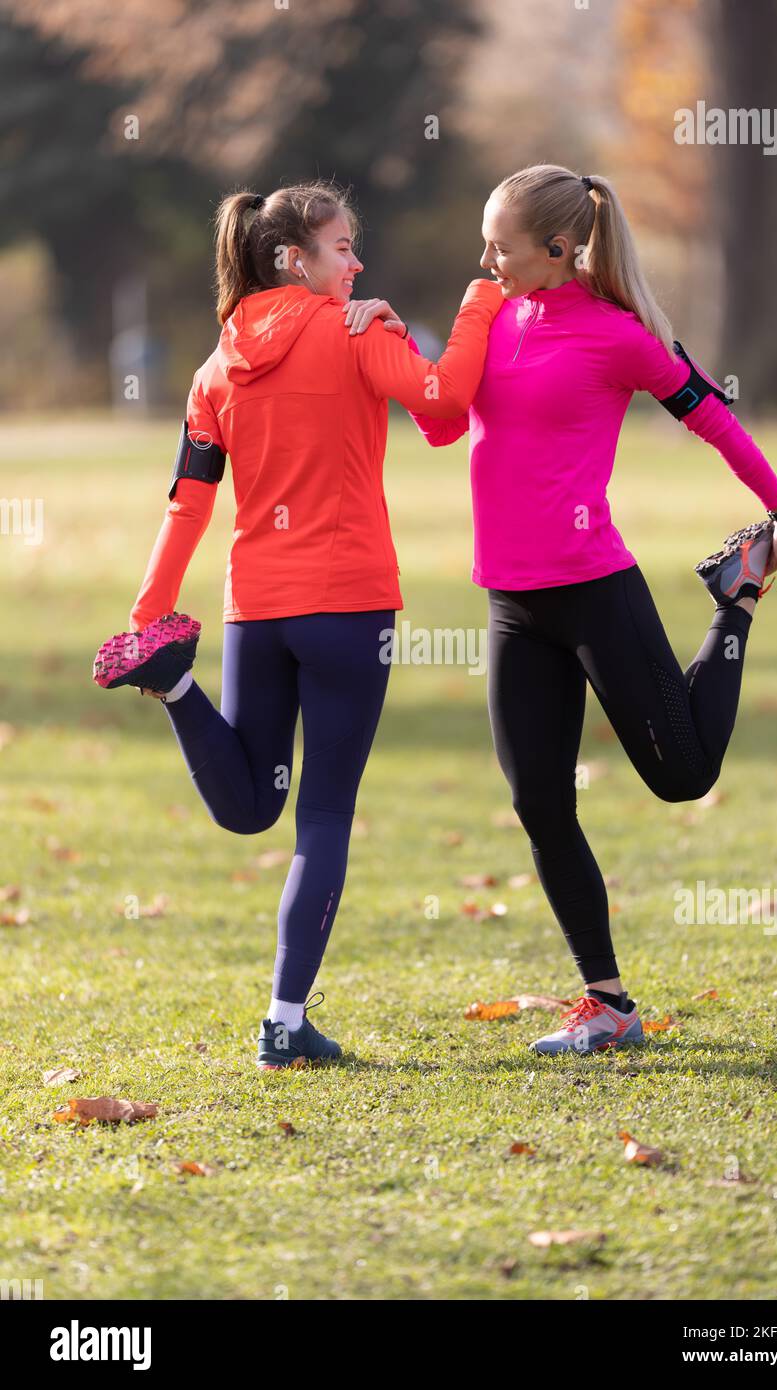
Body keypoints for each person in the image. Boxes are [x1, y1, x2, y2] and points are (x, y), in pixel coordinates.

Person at [346, 164, 777, 1055]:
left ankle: (733, 600)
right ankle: (607, 1003)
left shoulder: (617, 336)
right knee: (538, 803)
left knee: (681, 777)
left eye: (500, 246)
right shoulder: (496, 315)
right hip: (512, 600)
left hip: (594, 589)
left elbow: (709, 413)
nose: (486, 259)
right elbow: (440, 412)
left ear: (557, 249)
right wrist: (387, 333)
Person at [92, 179, 503, 1067]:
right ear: (293, 258)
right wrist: (479, 301)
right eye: (343, 248)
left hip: (257, 613)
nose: (356, 263)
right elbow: (443, 399)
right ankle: (283, 1021)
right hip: (350, 605)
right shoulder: (355, 332)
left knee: (253, 806)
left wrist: (148, 617)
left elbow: (186, 507)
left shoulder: (214, 367)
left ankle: (174, 684)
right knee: (321, 814)